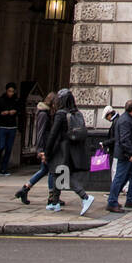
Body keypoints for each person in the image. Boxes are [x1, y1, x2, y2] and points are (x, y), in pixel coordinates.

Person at [43, 88, 96, 216]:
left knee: (64, 175)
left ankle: (85, 197)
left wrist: (47, 152)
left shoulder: (60, 114)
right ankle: (54, 203)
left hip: (61, 150)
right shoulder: (76, 113)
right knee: (58, 173)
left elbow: (53, 135)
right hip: (73, 150)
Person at [15, 93, 57, 205]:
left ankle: (25, 189)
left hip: (47, 147)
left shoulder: (47, 113)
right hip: (45, 148)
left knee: (44, 170)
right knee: (51, 171)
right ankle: (51, 197)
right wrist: (40, 150)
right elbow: (41, 132)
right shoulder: (44, 114)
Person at [105, 100, 132, 213]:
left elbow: (129, 137)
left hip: (129, 154)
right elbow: (124, 140)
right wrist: (131, 154)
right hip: (125, 155)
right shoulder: (125, 120)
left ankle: (130, 200)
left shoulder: (129, 118)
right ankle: (112, 202)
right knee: (119, 178)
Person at [0, 82, 22, 175]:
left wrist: (15, 112)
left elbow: (20, 111)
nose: (10, 93)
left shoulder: (16, 100)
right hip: (2, 126)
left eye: (12, 91)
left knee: (8, 148)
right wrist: (2, 113)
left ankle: (4, 169)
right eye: (9, 91)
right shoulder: (0, 100)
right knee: (1, 146)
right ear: (6, 91)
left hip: (12, 126)